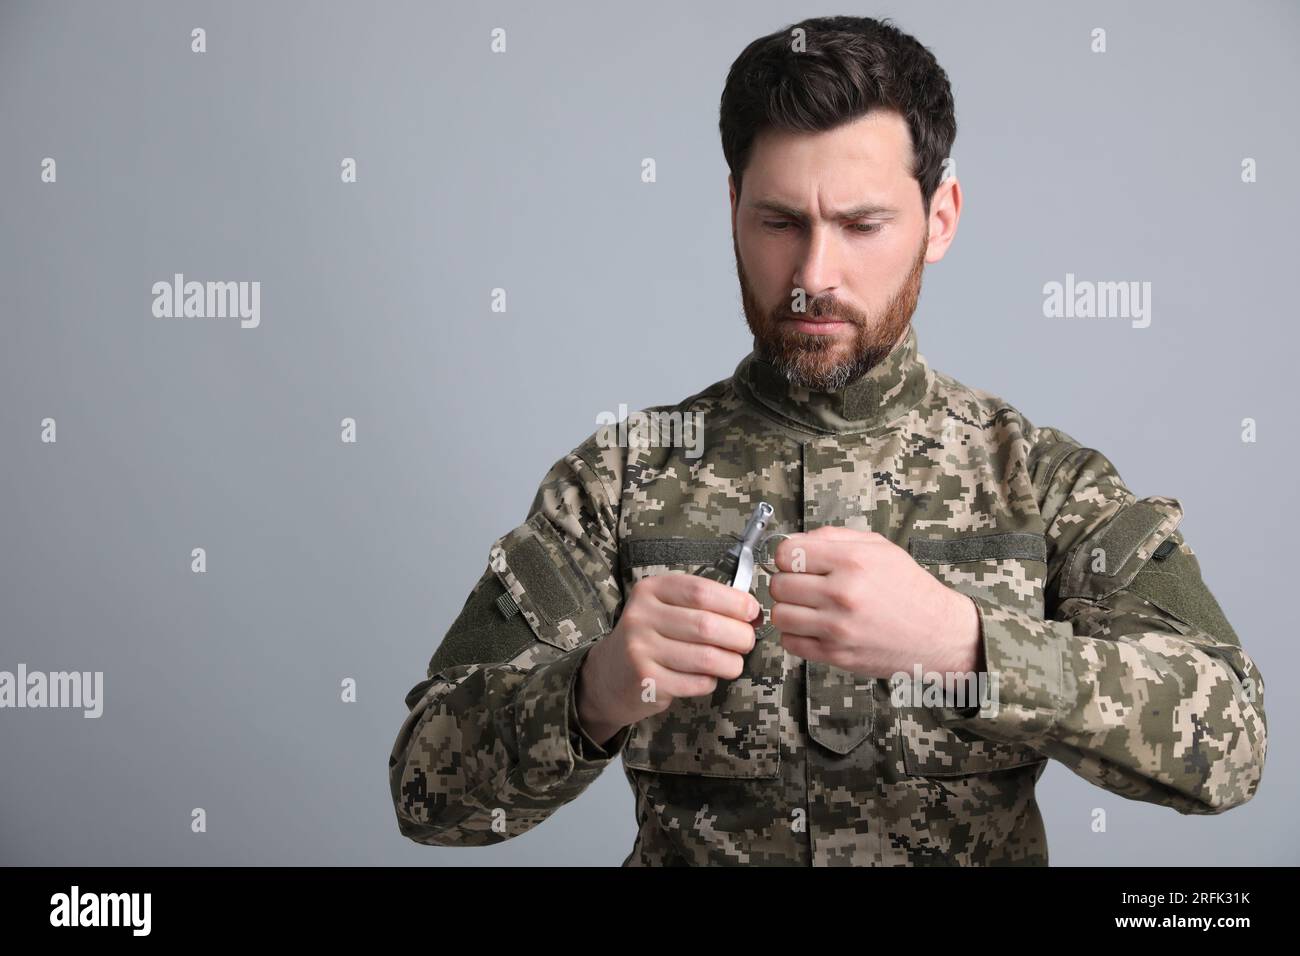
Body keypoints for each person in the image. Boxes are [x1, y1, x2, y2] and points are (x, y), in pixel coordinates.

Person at [388, 14, 1266, 865]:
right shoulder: (618, 480)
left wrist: (966, 644)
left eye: (861, 225)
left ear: (941, 217)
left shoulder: (1043, 483)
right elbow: (424, 789)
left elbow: (1232, 741)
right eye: (781, 223)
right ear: (733, 210)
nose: (813, 277)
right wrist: (595, 691)